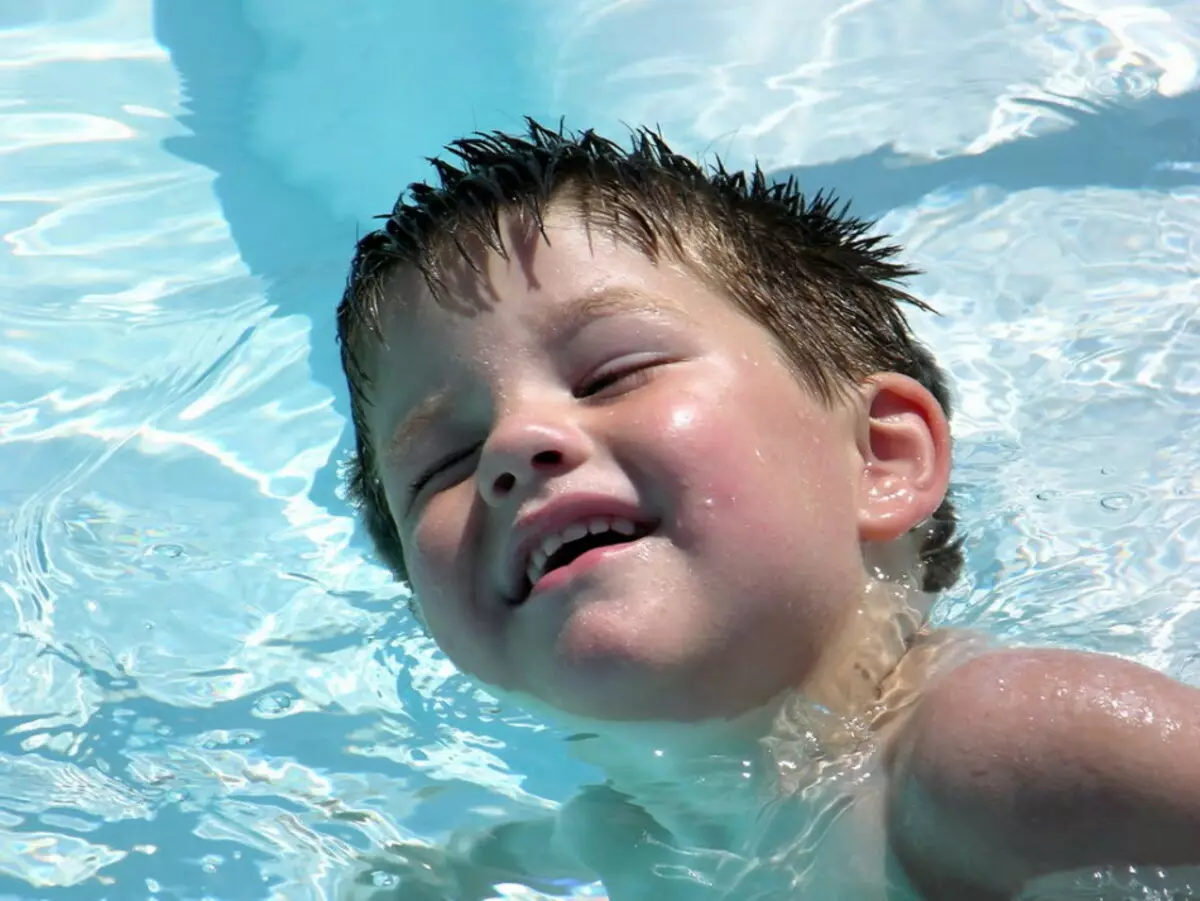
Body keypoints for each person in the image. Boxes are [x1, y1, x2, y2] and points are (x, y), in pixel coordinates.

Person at [334, 119, 1200, 900]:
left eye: (611, 374)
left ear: (880, 458)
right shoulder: (626, 827)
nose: (513, 447)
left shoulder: (1001, 747)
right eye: (442, 463)